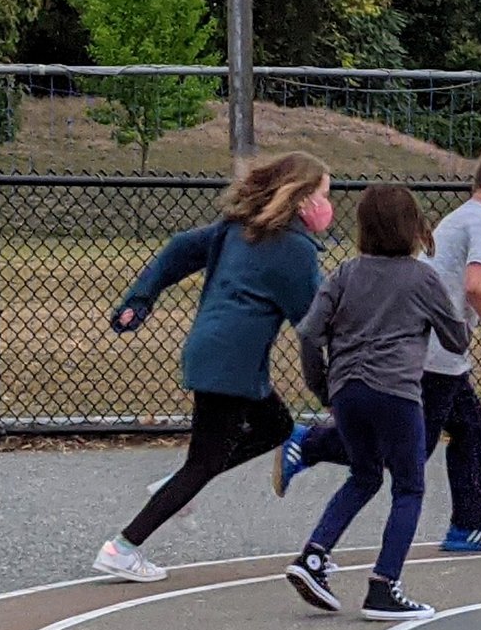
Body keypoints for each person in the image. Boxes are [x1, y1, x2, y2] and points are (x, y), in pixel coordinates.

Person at [273, 141, 481, 550]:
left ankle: (471, 522)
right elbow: (477, 287)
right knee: (409, 452)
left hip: (440, 352)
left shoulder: (463, 217)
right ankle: (310, 443)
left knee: (471, 429)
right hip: (437, 353)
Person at [92, 152, 332, 583]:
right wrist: (333, 391)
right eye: (323, 195)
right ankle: (123, 547)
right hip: (232, 366)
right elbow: (314, 325)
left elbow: (177, 250)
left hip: (216, 353)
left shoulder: (236, 230)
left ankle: (175, 485)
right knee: (202, 462)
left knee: (276, 427)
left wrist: (140, 298)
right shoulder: (295, 250)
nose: (326, 205)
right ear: (300, 200)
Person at [284, 185, 471, 621]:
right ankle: (384, 585)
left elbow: (310, 332)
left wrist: (323, 387)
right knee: (408, 485)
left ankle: (313, 556)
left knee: (364, 475)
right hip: (396, 392)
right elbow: (455, 337)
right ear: (412, 227)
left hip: (347, 389)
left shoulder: (345, 273)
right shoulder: (422, 278)